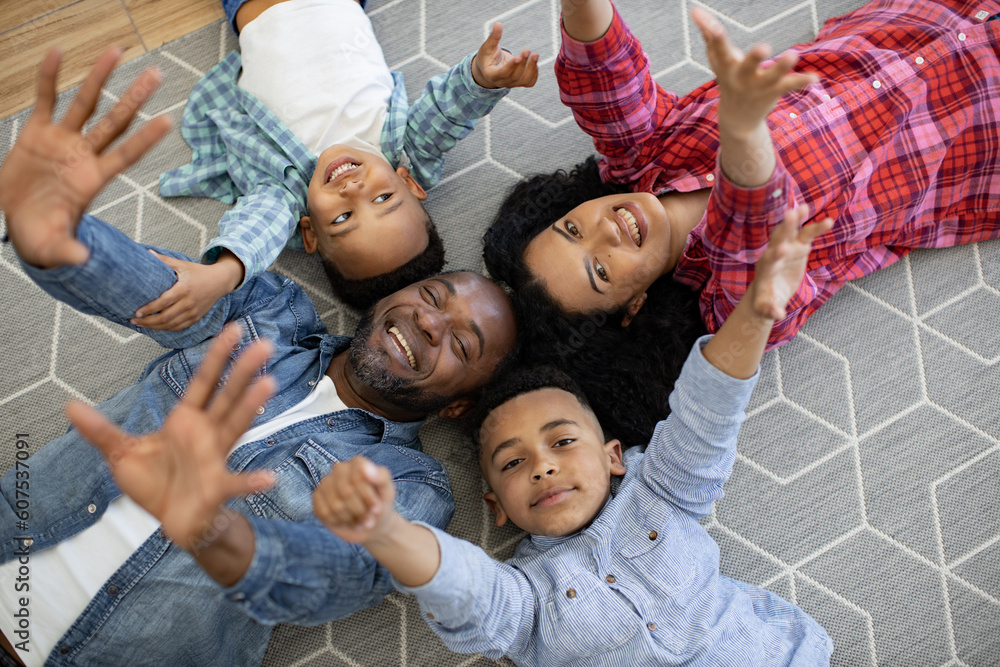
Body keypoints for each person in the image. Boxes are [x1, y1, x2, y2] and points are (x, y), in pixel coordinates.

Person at [0, 47, 517, 667]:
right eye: (434, 296)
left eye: (461, 344)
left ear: (460, 402)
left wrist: (214, 530)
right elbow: (151, 289)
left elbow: (335, 580)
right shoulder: (269, 312)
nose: (431, 323)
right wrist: (57, 239)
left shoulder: (411, 487)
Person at [311, 203, 835, 665]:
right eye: (513, 463)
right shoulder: (528, 600)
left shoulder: (666, 492)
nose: (543, 466)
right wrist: (390, 534)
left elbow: (707, 415)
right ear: (496, 506)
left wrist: (753, 316)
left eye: (563, 442)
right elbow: (469, 590)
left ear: (614, 456)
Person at [482, 0, 1000, 447]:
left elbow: (605, 79)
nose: (606, 231)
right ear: (632, 306)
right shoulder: (729, 303)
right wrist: (742, 130)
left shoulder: (642, 156)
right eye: (600, 269)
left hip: (930, 18)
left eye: (572, 229)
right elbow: (753, 220)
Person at [135, 0, 540, 329]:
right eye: (384, 197)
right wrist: (482, 80)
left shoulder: (288, 191)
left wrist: (222, 275)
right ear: (408, 183)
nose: (355, 191)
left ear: (308, 230)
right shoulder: (405, 151)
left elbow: (259, 228)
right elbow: (445, 114)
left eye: (343, 219)